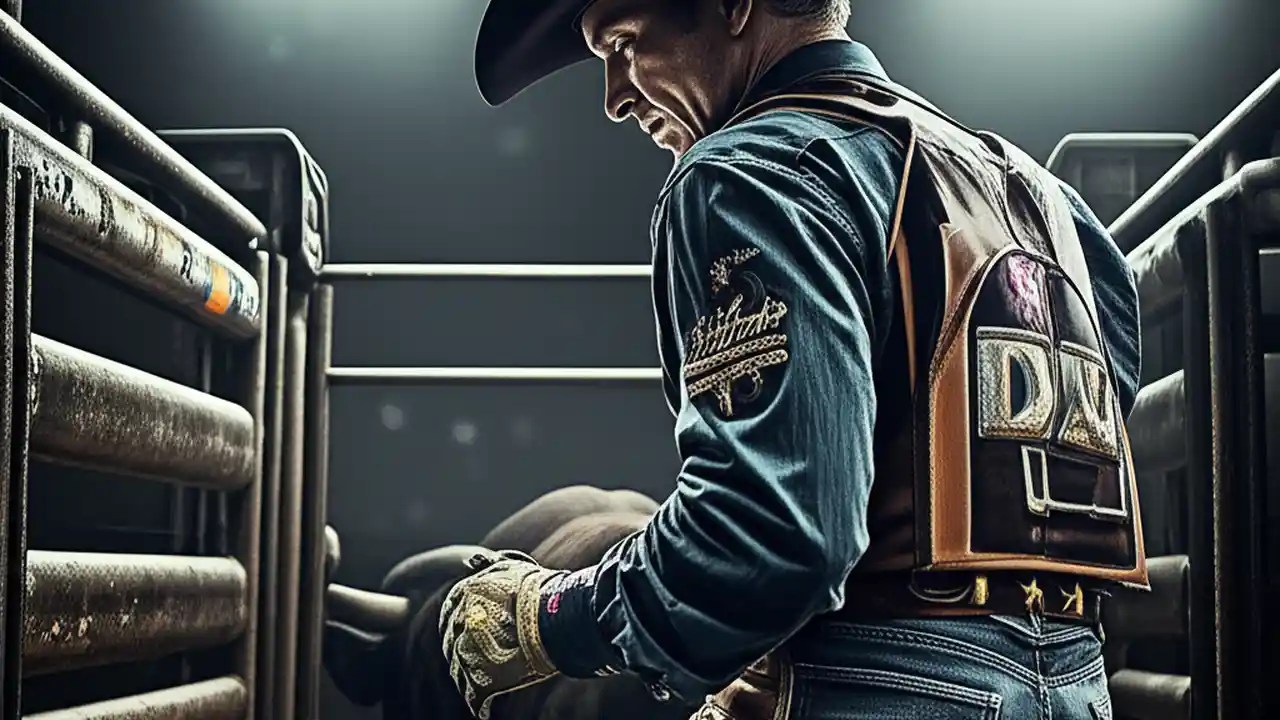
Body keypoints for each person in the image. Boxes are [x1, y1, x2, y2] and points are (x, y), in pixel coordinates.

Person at [439, 1, 1149, 718]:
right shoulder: (1047, 199)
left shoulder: (748, 172)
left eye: (623, 44)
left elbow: (769, 533)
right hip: (1079, 685)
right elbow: (1105, 419)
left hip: (877, 684)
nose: (615, 97)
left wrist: (548, 619)